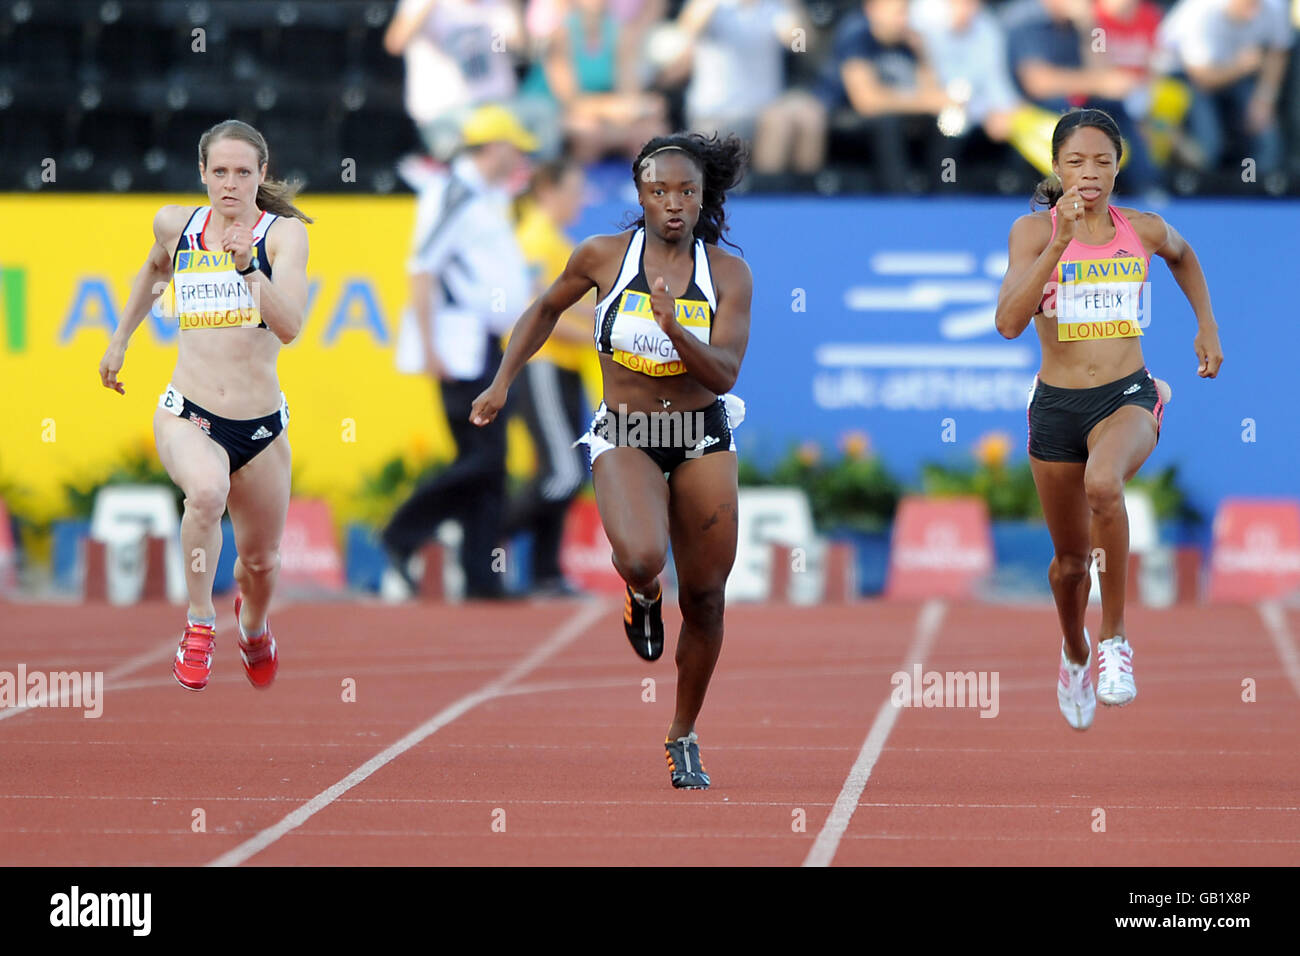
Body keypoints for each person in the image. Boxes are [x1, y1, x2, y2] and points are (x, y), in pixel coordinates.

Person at [469, 132, 752, 788]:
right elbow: (542, 310)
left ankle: (681, 731)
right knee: (641, 557)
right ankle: (643, 595)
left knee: (707, 597)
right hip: (626, 431)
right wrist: (503, 381)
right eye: (659, 191)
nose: (674, 204)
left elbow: (727, 372)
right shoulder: (601, 257)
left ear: (703, 194)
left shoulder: (728, 274)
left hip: (701, 432)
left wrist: (675, 328)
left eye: (687, 191)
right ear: (640, 194)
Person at [994, 108, 1222, 730]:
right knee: (1069, 565)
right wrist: (1061, 242)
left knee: (1104, 484)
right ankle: (1075, 651)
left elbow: (1184, 255)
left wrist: (1206, 325)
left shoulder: (1142, 229)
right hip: (1056, 408)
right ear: (1057, 168)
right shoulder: (1032, 233)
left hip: (1127, 396)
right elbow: (1009, 323)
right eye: (1076, 162)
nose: (1089, 174)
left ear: (1119, 166)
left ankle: (1116, 640)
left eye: (1101, 161)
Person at [97, 119, 312, 692]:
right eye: (219, 171)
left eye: (243, 172)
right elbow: (153, 268)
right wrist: (121, 340)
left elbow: (290, 327)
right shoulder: (177, 224)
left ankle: (254, 626)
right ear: (202, 174)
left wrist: (247, 269)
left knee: (261, 563)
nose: (231, 184)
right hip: (188, 412)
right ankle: (198, 621)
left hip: (261, 429)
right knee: (207, 493)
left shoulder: (282, 235)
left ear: (261, 175)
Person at [385, 105, 535, 600]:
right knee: (485, 458)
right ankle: (403, 530)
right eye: (513, 147)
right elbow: (421, 268)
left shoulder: (483, 195)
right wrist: (430, 348)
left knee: (489, 462)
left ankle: (481, 577)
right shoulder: (454, 193)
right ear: (492, 147)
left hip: (482, 343)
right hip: (458, 347)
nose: (519, 158)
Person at [502, 159, 596, 596]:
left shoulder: (557, 242)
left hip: (564, 369)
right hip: (541, 366)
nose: (581, 199)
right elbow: (536, 316)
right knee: (563, 472)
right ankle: (482, 539)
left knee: (560, 468)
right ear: (547, 191)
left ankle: (544, 571)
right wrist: (602, 335)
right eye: (574, 189)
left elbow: (567, 309)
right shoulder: (536, 241)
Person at [1156, 0, 1291, 181]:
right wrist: (1241, 67)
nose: (1254, 14)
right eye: (1247, 5)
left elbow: (1278, 51)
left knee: (1265, 134)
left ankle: (1260, 190)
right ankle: (1191, 187)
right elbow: (1202, 79)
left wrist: (1264, 99)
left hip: (1235, 71)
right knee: (1208, 145)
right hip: (1183, 76)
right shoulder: (1199, 13)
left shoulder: (1275, 6)